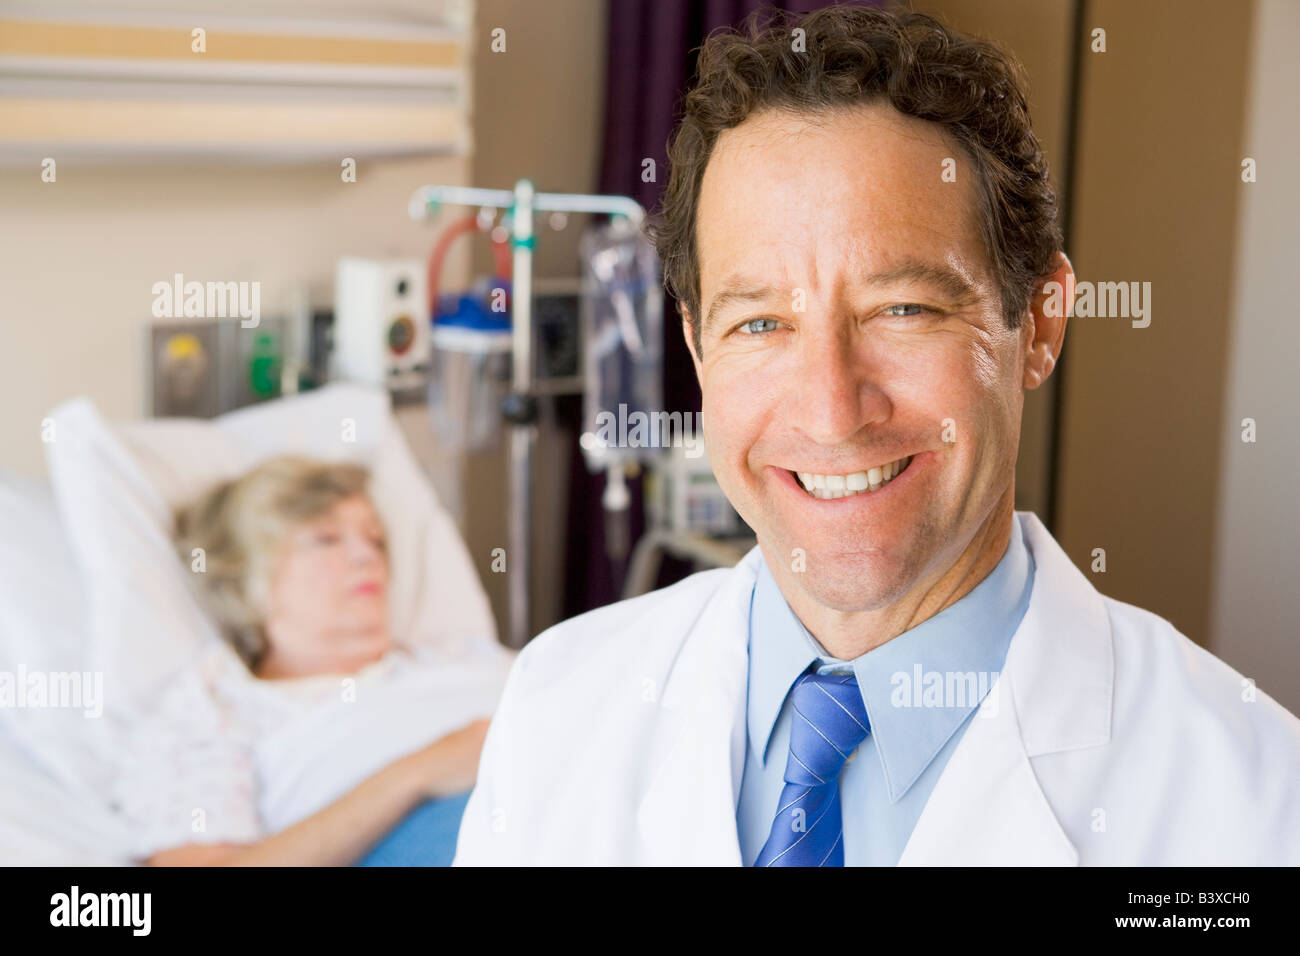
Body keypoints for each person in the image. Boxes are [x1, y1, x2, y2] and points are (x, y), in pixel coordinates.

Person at [455, 5, 1300, 865]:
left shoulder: (1253, 800)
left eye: (905, 310)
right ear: (696, 348)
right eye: (758, 324)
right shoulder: (557, 707)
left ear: (1040, 324)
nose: (830, 411)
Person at [116, 456, 506, 866]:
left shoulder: (460, 657)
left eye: (375, 540)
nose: (366, 557)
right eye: (326, 539)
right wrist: (419, 773)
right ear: (247, 576)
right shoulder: (213, 712)